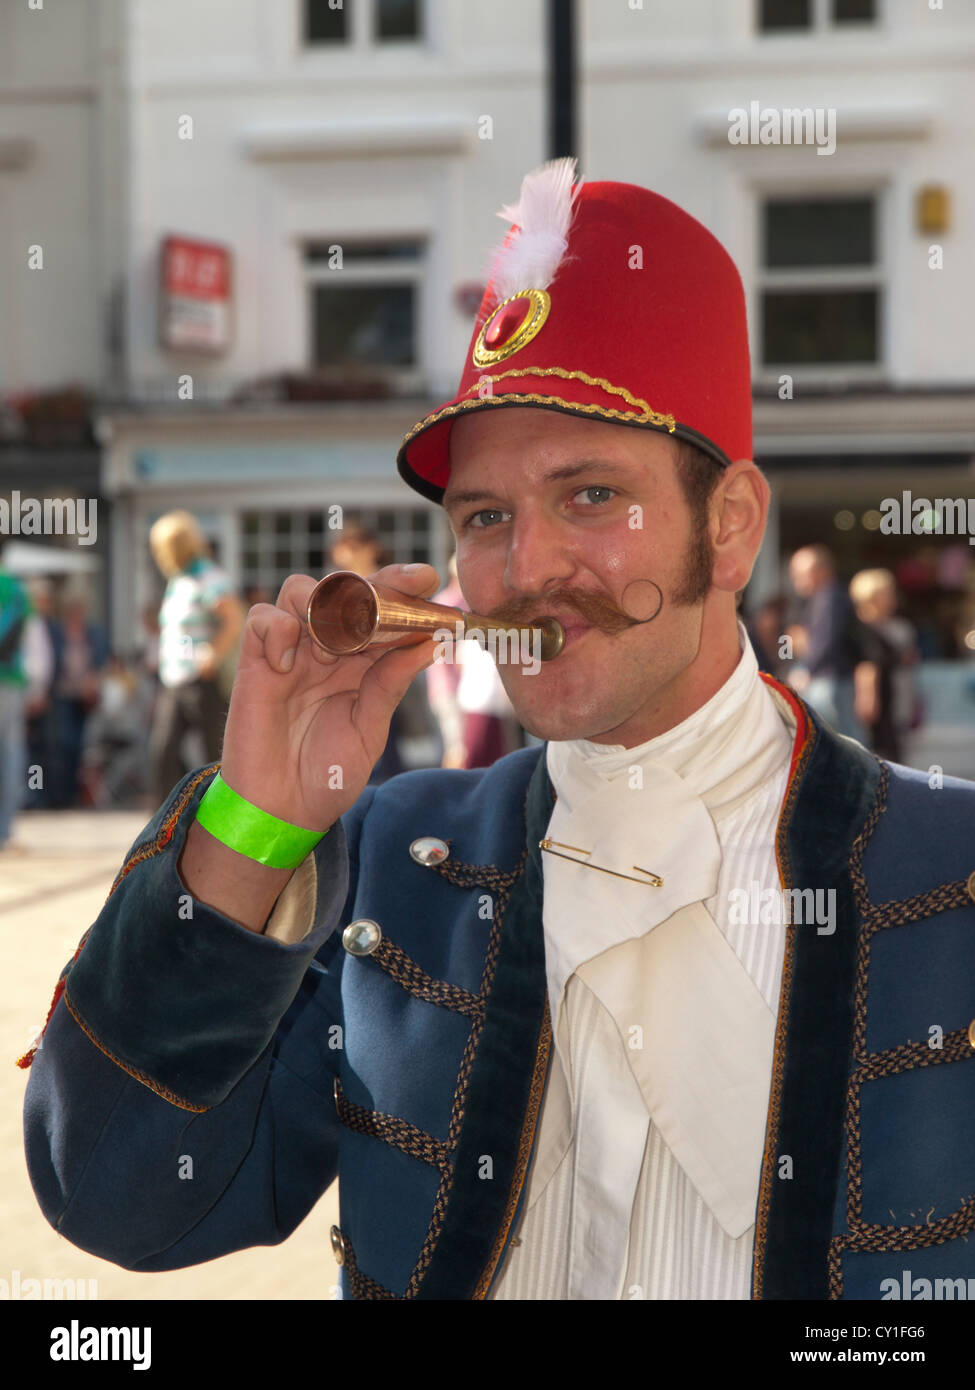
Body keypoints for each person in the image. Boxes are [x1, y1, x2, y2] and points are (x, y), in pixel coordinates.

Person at [21, 161, 975, 1301]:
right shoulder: (396, 857)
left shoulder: (948, 869)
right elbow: (118, 1195)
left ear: (729, 529)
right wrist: (252, 822)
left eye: (589, 495)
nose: (525, 571)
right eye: (485, 516)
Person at [146, 511, 245, 804]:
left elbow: (233, 618)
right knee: (163, 751)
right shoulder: (179, 580)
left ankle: (219, 820)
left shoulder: (207, 575)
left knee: (211, 756)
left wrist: (212, 655)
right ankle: (167, 822)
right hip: (175, 679)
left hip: (202, 680)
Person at [849, 568, 921, 763]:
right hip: (873, 703)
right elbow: (867, 664)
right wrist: (867, 694)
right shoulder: (859, 628)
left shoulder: (899, 628)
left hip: (894, 698)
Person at [0, 558, 31, 853]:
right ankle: (4, 831)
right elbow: (23, 634)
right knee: (10, 757)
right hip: (9, 679)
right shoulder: (15, 587)